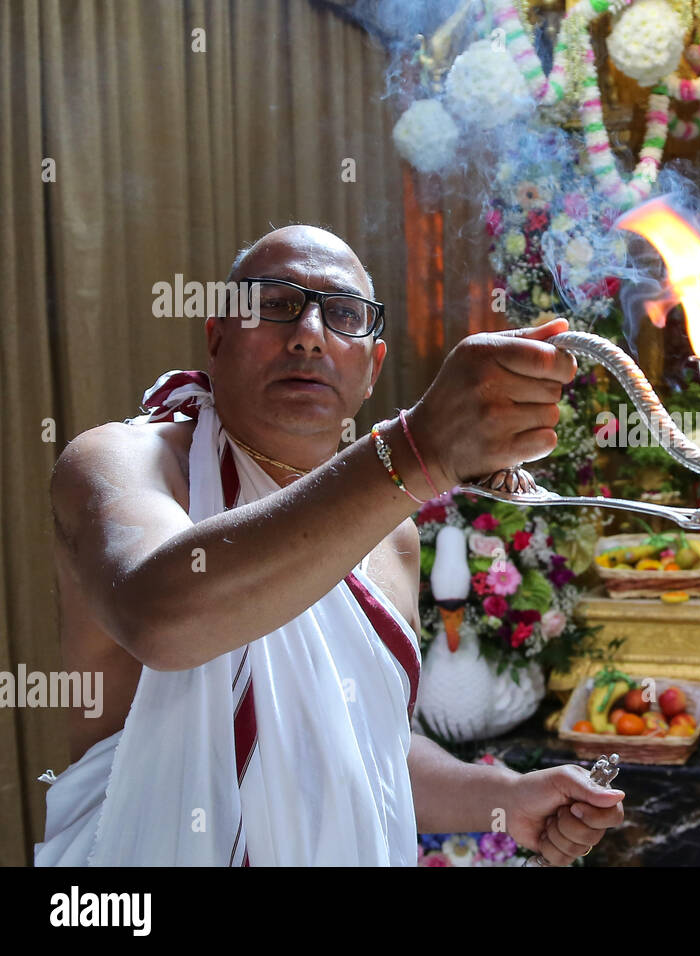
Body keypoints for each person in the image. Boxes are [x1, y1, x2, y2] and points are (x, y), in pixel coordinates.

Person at [39, 225, 623, 866]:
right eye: (275, 303)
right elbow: (161, 620)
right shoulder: (126, 460)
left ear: (371, 370)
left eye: (343, 315)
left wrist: (504, 798)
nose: (308, 333)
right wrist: (417, 452)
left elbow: (368, 748)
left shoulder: (391, 528)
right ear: (217, 337)